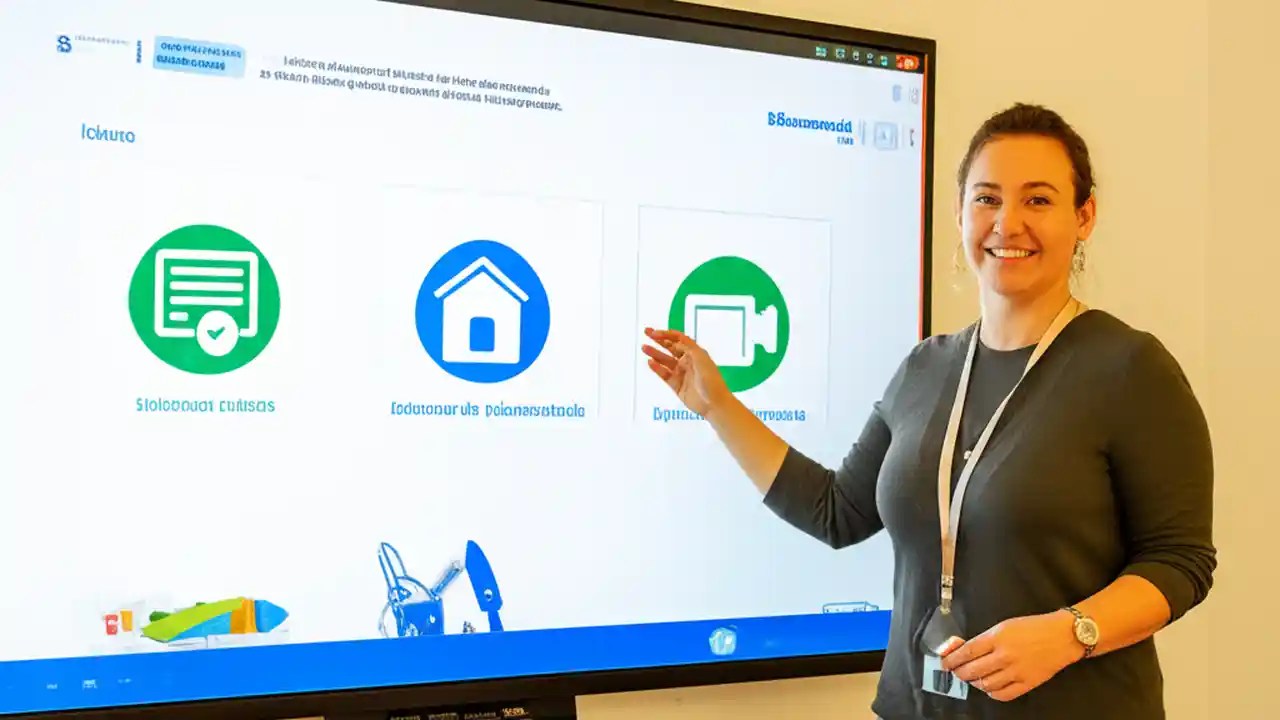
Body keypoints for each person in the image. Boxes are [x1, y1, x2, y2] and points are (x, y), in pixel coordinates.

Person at [640, 103, 1215, 719]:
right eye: (988, 198)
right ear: (961, 212)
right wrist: (717, 406)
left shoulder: (1129, 369)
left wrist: (1069, 633)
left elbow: (1181, 562)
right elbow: (837, 511)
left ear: (1084, 217)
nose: (1008, 222)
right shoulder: (925, 368)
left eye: (1038, 200)